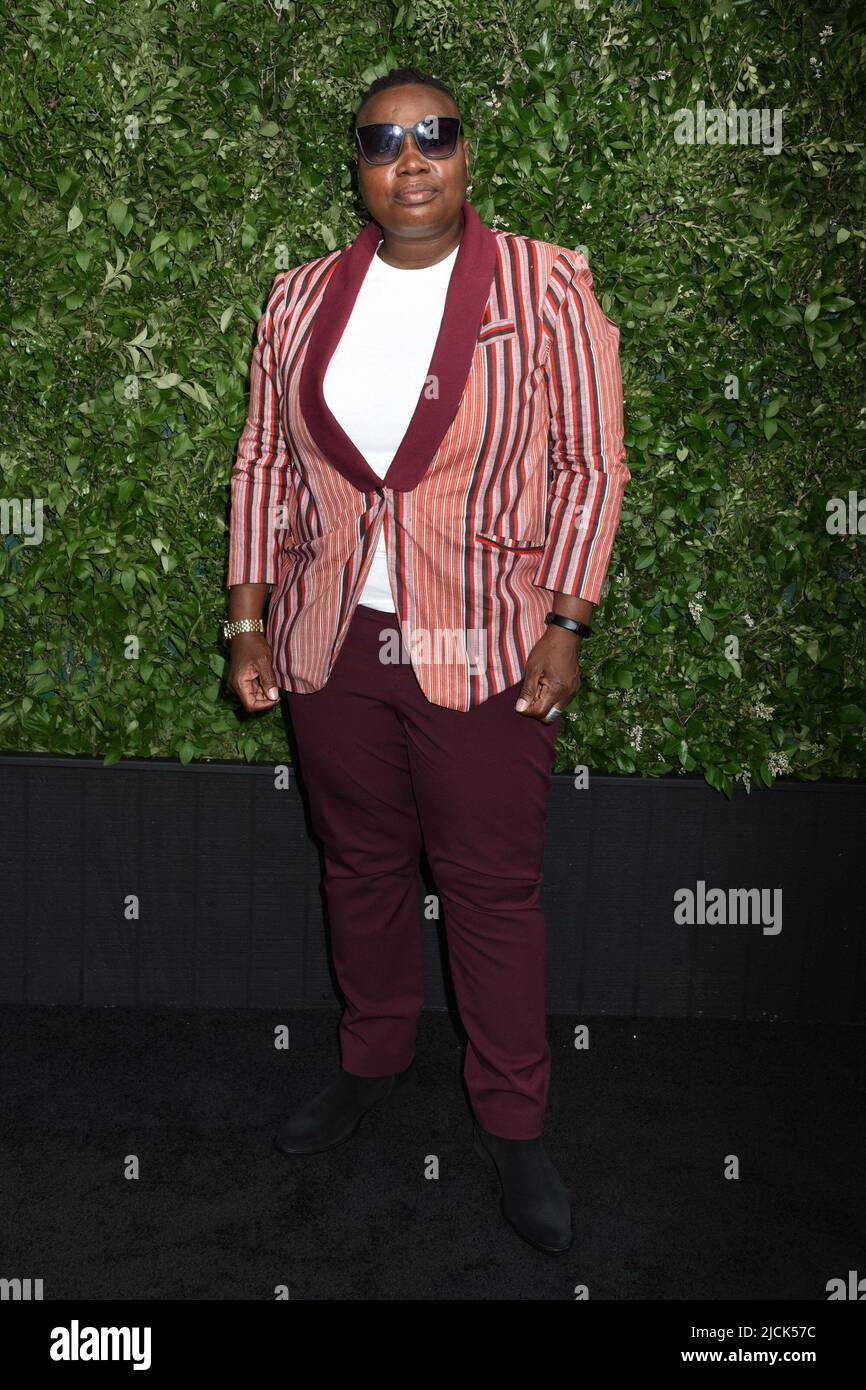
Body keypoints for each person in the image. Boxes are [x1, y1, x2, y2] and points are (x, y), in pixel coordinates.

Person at [224, 66, 629, 1255]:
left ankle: (511, 1122)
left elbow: (588, 469)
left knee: (492, 888)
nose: (411, 159)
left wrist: (567, 619)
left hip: (483, 635)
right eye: (381, 141)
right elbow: (261, 466)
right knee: (356, 862)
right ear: (354, 165)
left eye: (433, 136)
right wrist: (248, 621)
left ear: (465, 155)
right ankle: (371, 1056)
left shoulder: (545, 285)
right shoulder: (298, 300)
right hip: (333, 633)